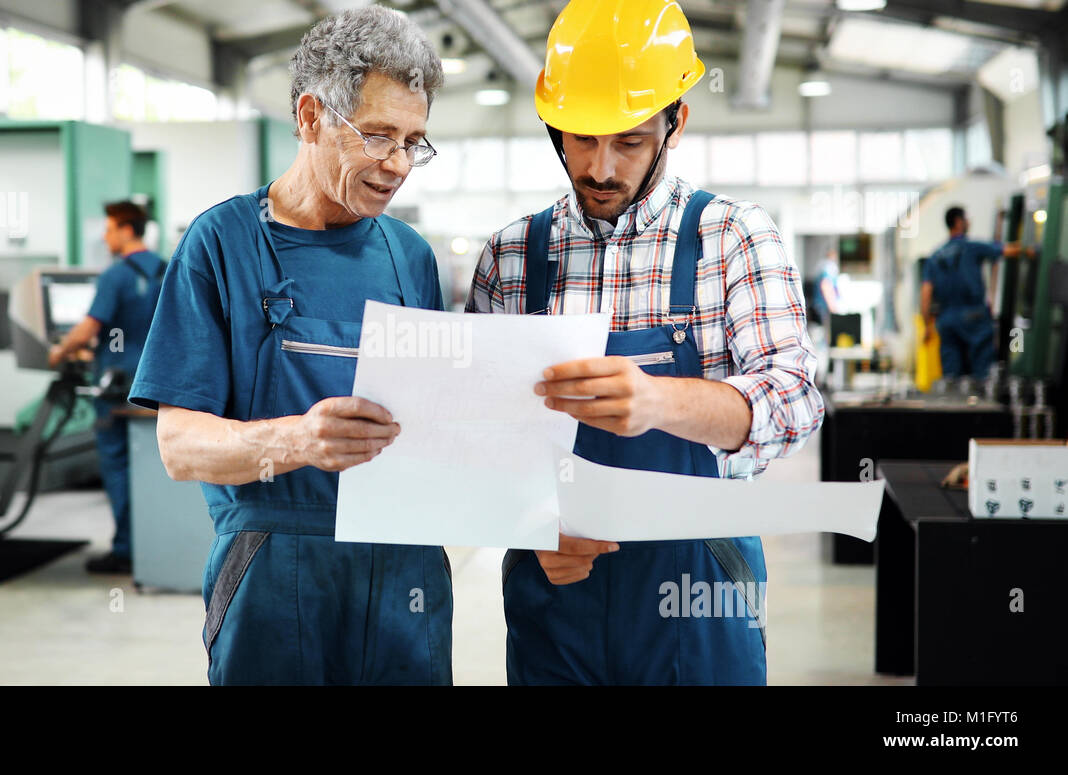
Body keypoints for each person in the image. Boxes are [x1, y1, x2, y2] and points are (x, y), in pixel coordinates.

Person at [465, 0, 823, 685]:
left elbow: (795, 401)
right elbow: (476, 432)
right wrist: (529, 524)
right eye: (579, 137)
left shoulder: (734, 237)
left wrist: (661, 401)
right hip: (555, 596)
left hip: (698, 589)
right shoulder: (510, 257)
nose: (600, 167)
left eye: (628, 140)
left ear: (676, 121)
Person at [128, 7, 450, 685]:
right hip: (273, 568)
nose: (398, 165)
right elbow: (179, 445)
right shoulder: (220, 245)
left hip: (404, 573)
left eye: (414, 141)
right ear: (310, 118)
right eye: (379, 136)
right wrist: (300, 441)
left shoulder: (410, 257)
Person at [48, 201, 165, 574]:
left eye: (110, 228)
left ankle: (126, 550)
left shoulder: (115, 276)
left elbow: (87, 329)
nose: (105, 235)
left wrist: (59, 352)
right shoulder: (167, 269)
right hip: (158, 384)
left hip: (117, 387)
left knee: (118, 466)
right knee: (150, 467)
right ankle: (153, 543)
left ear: (127, 230)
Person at [920, 206, 1019, 379]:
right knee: (983, 371)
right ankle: (982, 402)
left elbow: (926, 293)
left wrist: (927, 325)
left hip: (947, 319)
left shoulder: (934, 256)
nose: (969, 222)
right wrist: (1030, 250)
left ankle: (954, 403)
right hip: (974, 315)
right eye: (967, 218)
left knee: (951, 374)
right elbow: (1006, 250)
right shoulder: (972, 247)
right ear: (959, 222)